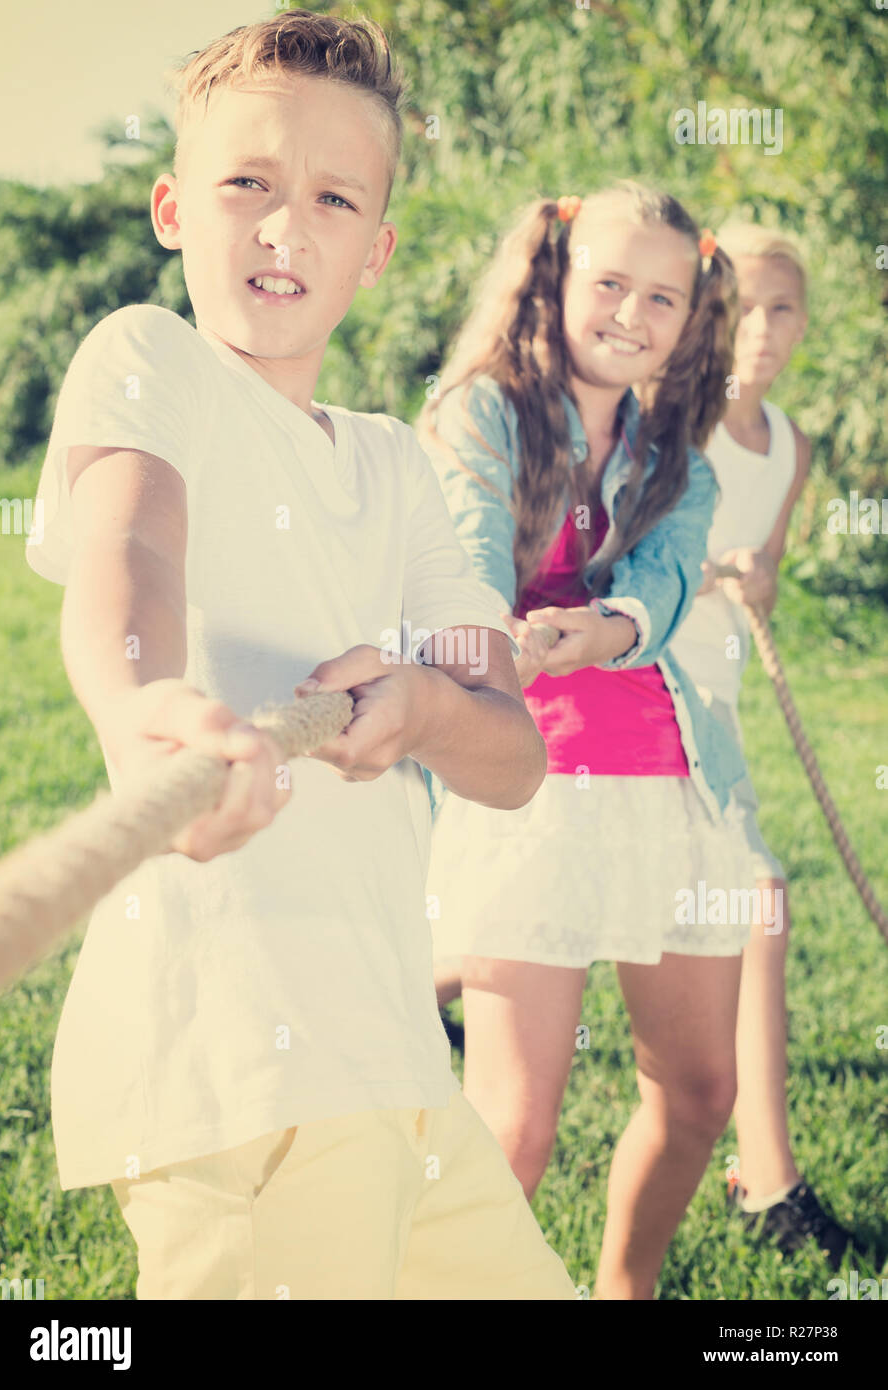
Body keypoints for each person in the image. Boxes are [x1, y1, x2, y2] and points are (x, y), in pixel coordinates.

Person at [24, 12, 578, 1301]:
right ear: (172, 208)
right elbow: (131, 547)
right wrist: (141, 702)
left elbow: (510, 753)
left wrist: (427, 706)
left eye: (333, 198)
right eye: (247, 186)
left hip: (395, 1065)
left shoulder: (392, 464)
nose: (287, 226)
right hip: (241, 1071)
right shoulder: (150, 361)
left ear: (375, 249)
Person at [417, 182, 758, 1301]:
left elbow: (656, 594)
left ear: (687, 318)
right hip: (533, 788)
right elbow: (467, 547)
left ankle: (626, 1291)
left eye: (661, 296)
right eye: (608, 283)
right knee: (512, 1125)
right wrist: (500, 632)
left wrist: (598, 627)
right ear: (554, 277)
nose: (631, 312)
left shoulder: (681, 463)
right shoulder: (485, 414)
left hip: (667, 788)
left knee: (703, 1091)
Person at [669, 223, 851, 1267]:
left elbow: (768, 576)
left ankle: (762, 1172)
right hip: (635, 689)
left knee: (742, 910)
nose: (761, 329)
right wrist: (698, 570)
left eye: (783, 307)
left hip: (716, 704)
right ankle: (766, 1180)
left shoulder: (786, 446)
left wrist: (750, 576)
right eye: (740, 304)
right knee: (756, 901)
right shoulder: (661, 419)